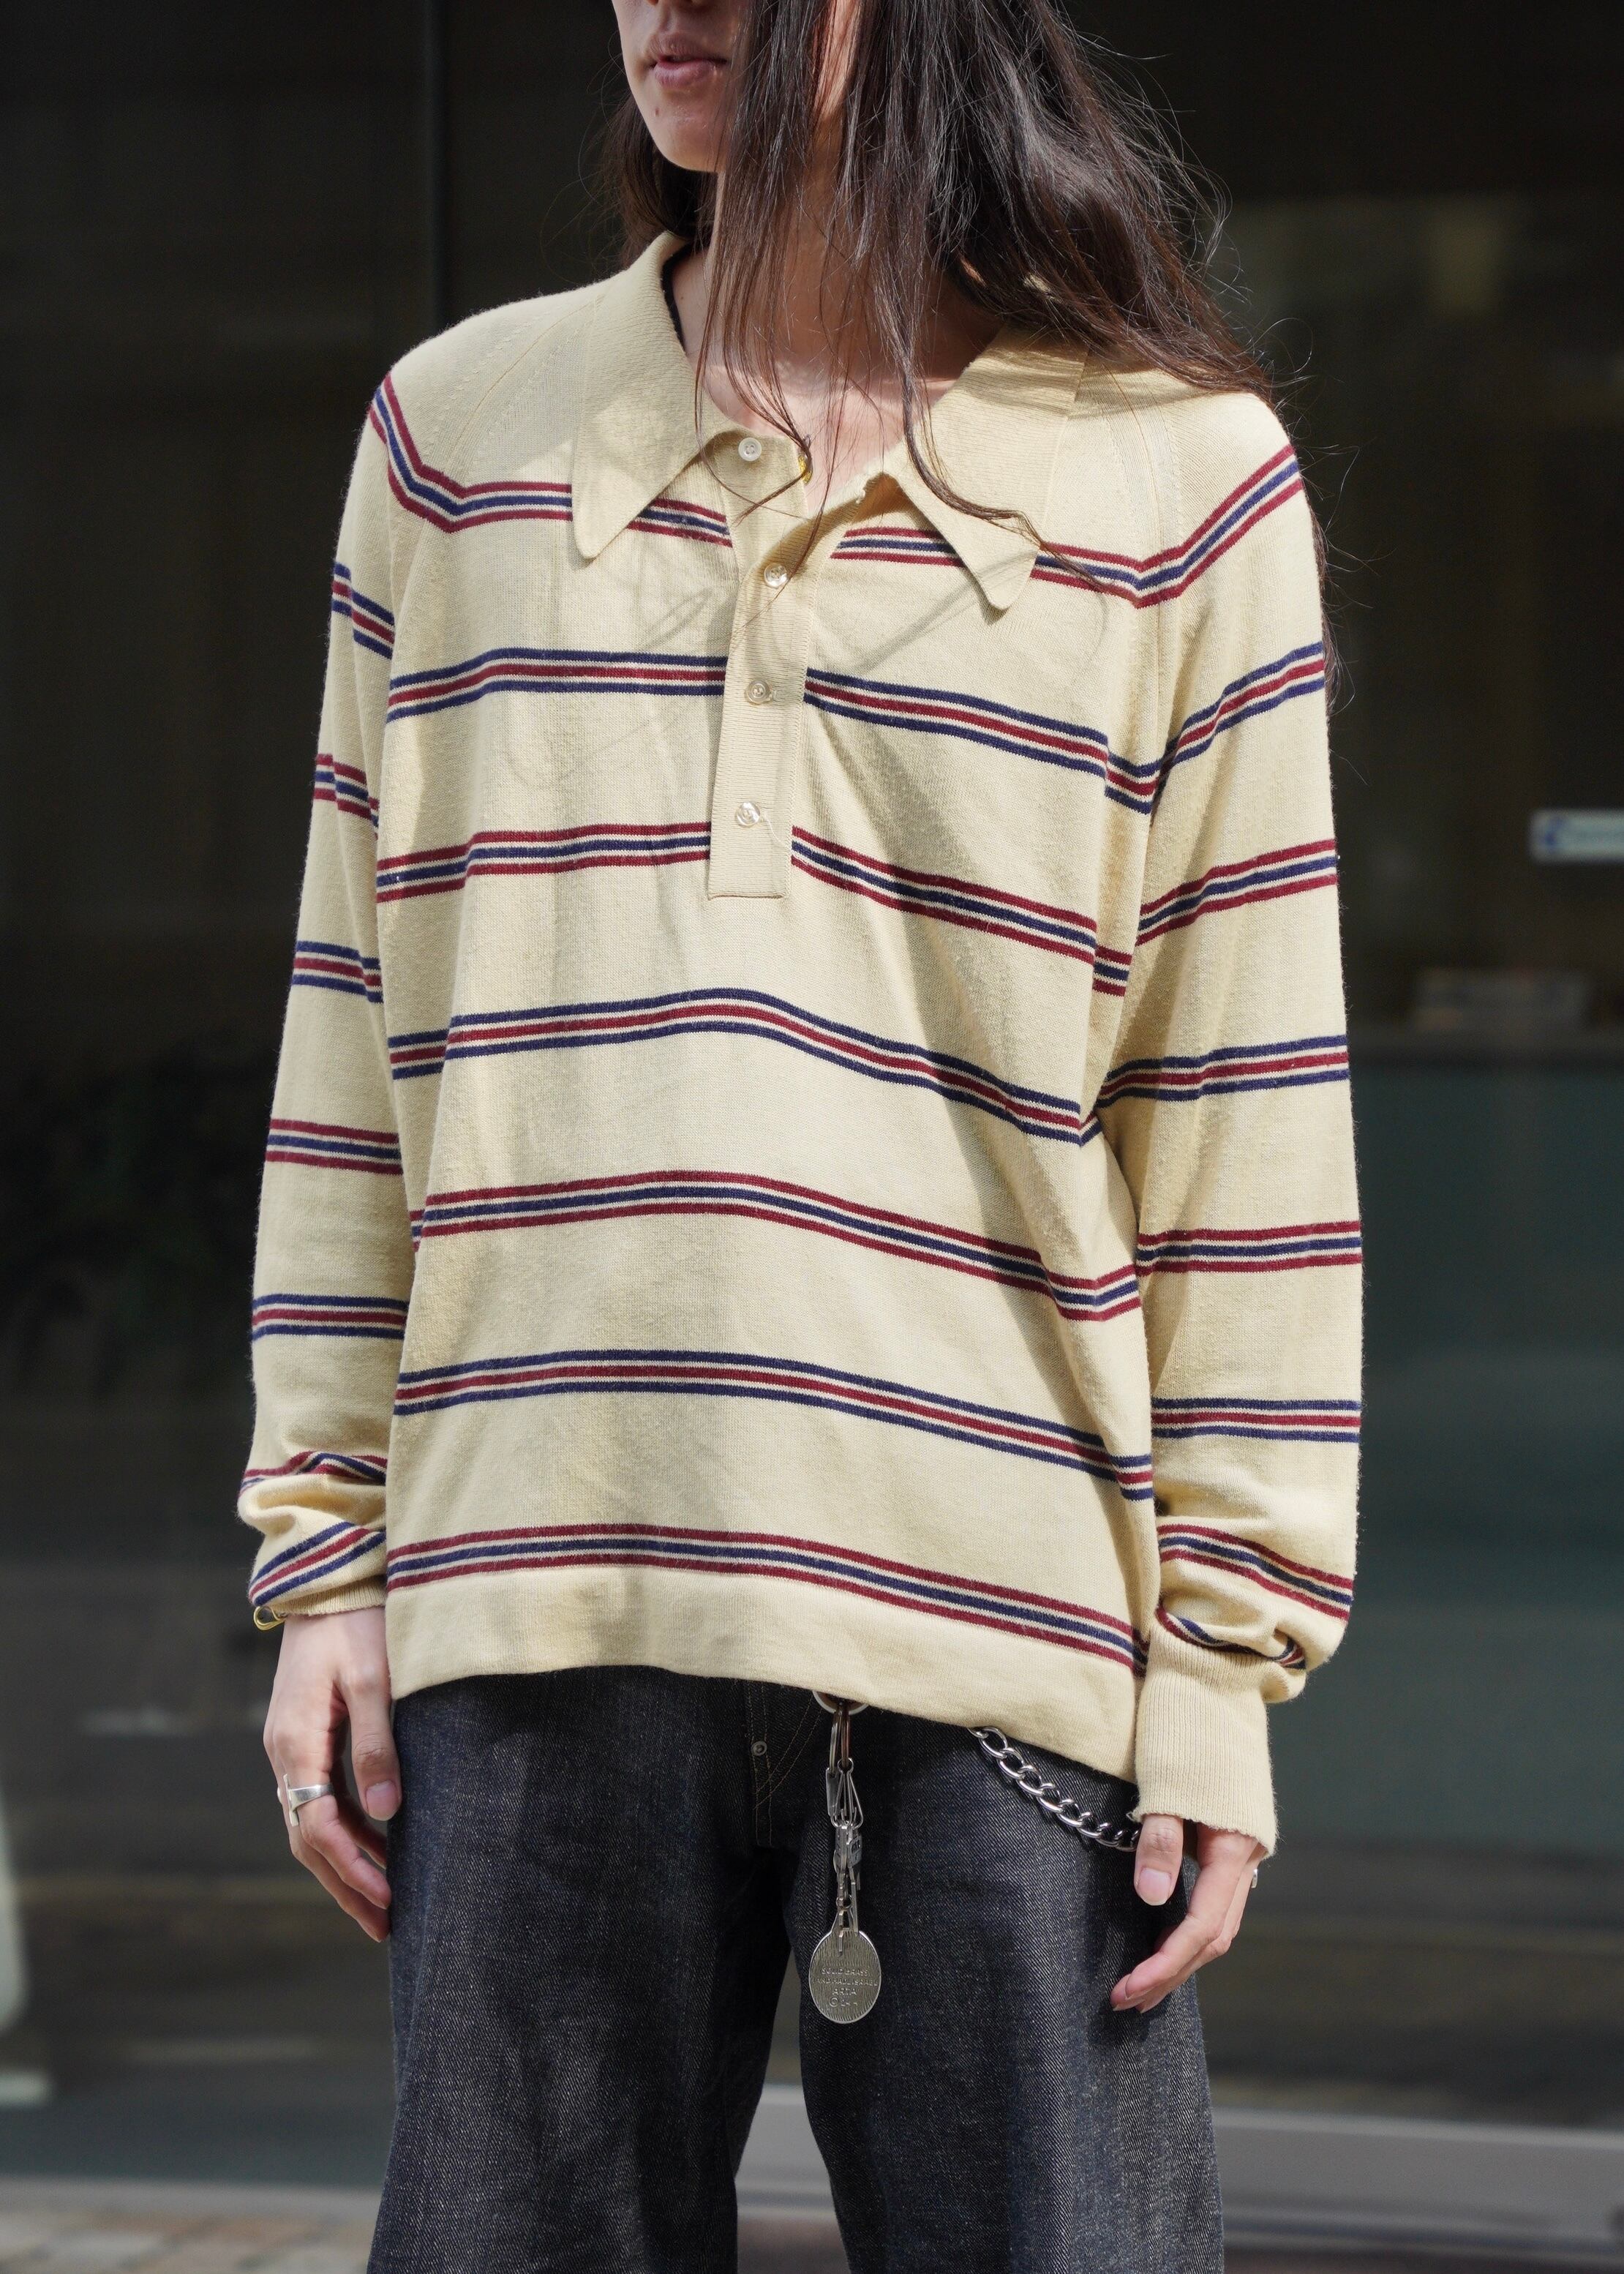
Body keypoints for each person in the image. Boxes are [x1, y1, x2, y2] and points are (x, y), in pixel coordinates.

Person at [242, 1, 1361, 2267]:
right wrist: (324, 1556)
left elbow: (1239, 1103)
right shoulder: (454, 439)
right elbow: (353, 1037)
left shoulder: (1184, 484)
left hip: (1005, 1626)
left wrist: (1223, 1664)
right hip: (536, 1574)